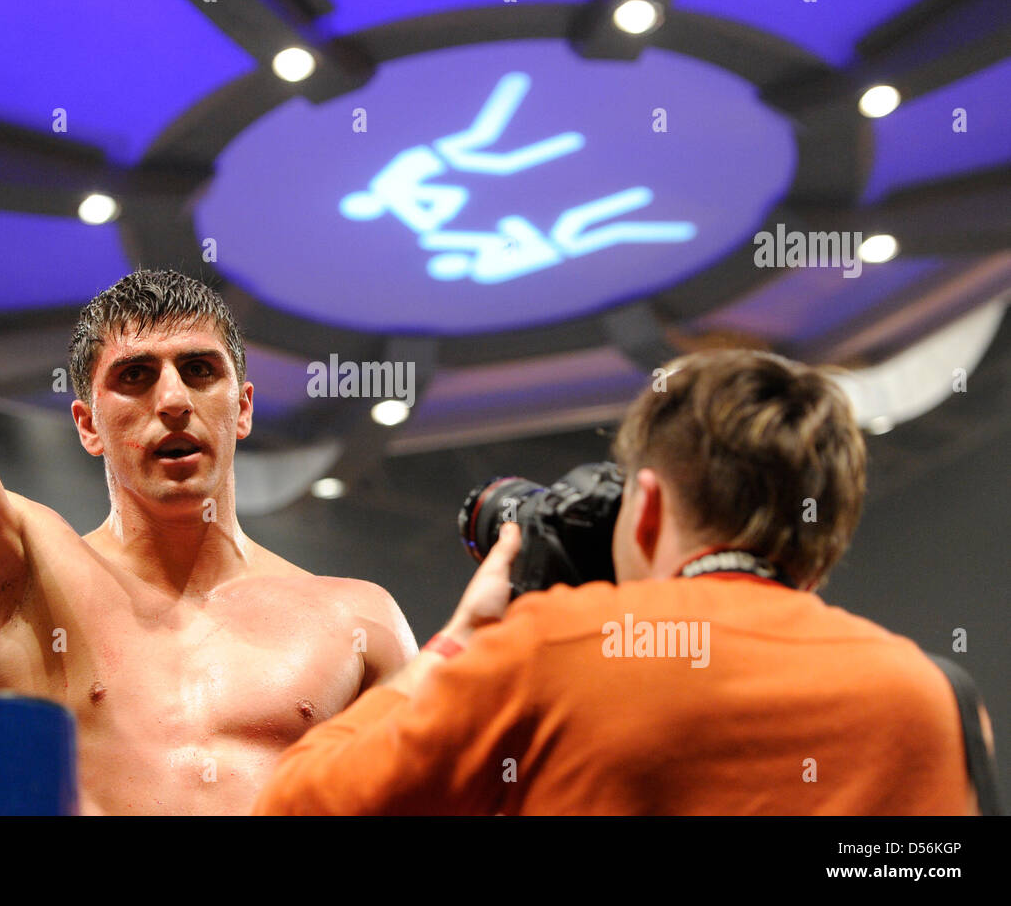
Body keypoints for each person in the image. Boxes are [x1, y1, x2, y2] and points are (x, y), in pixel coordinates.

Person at [0, 0, 416, 815]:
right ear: (87, 422)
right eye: (135, 376)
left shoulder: (357, 618)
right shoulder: (22, 570)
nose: (174, 400)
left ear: (244, 405)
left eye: (201, 370)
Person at [253, 349, 982, 814]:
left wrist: (460, 639)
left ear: (650, 506)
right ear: (825, 546)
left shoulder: (554, 650)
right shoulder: (939, 700)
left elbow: (300, 804)